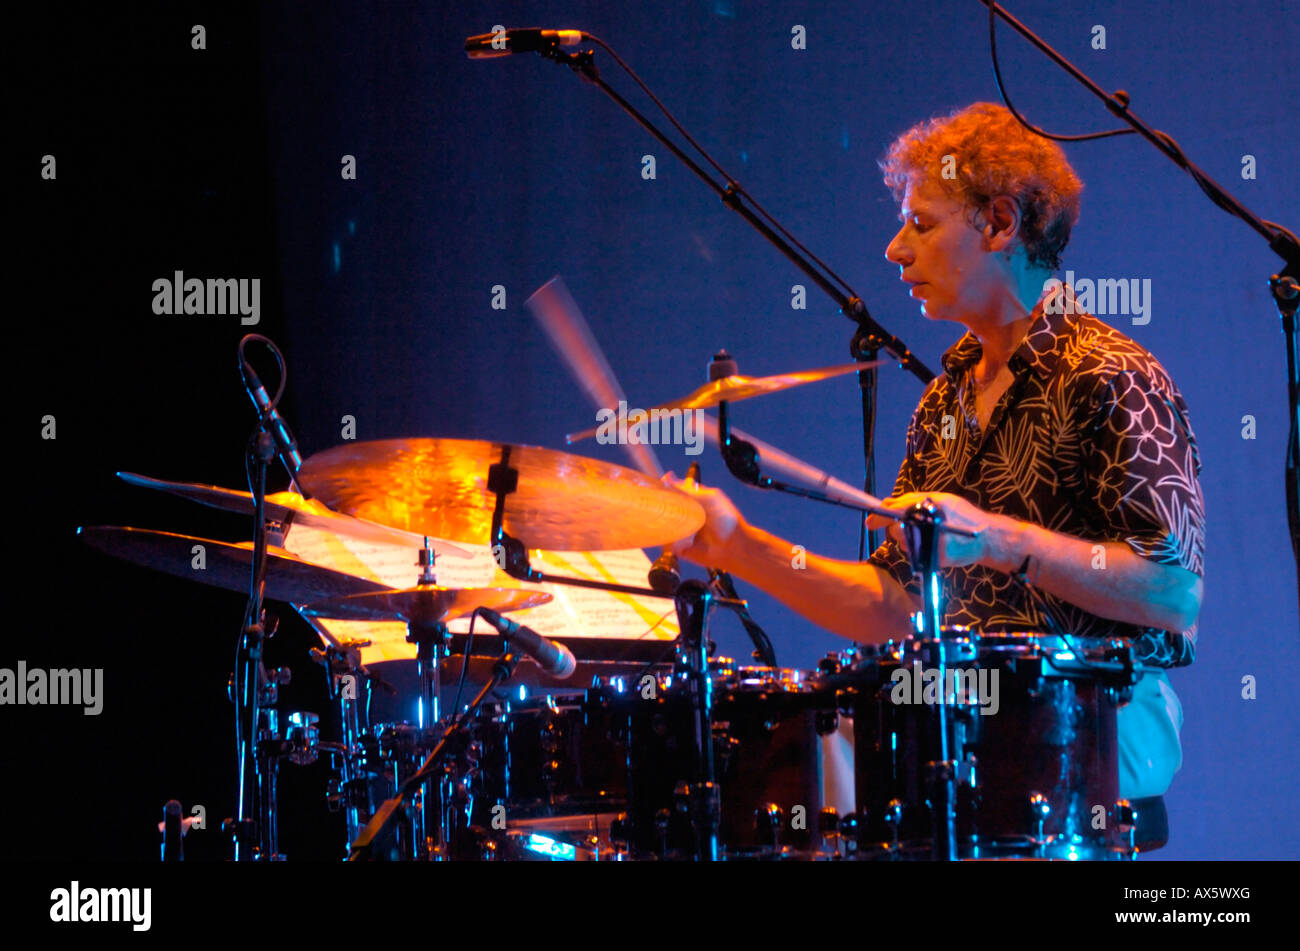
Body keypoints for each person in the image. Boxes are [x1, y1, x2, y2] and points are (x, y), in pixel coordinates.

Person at [665, 102, 1205, 803]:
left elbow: (1174, 593)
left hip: (1100, 709)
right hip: (965, 705)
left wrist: (998, 540)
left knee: (896, 762)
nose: (895, 249)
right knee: (799, 761)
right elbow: (896, 605)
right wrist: (738, 545)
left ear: (1001, 223)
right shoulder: (943, 401)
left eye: (921, 224)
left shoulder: (1111, 374)